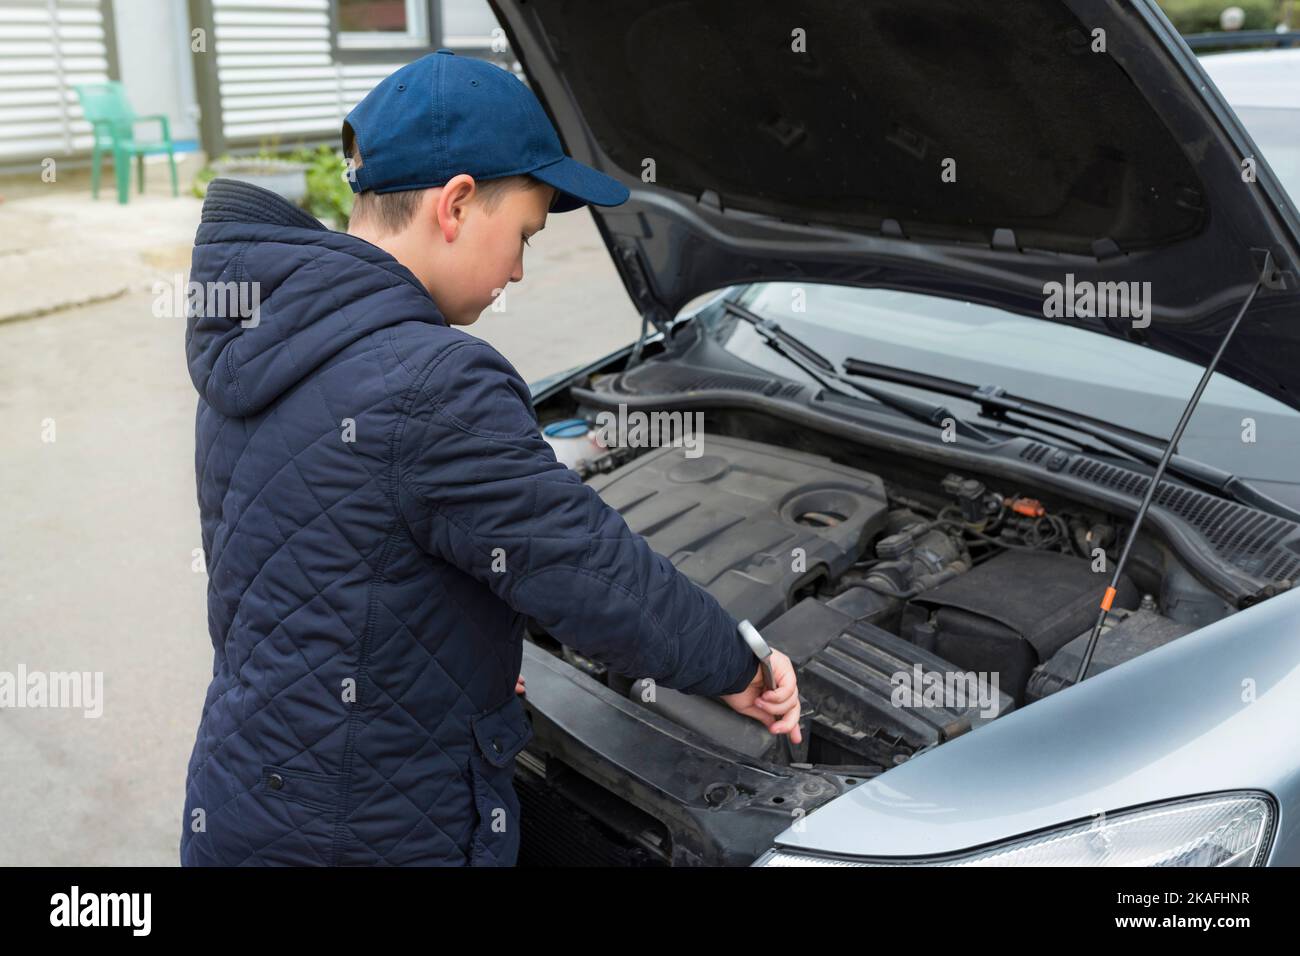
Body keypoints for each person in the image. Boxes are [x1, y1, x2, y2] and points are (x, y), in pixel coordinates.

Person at [180, 49, 800, 867]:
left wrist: (463, 660)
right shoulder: (431, 381)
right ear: (458, 203)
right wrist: (737, 664)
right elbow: (589, 569)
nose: (516, 269)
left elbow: (324, 571)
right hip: (370, 834)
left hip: (247, 792)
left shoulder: (269, 335)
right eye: (523, 236)